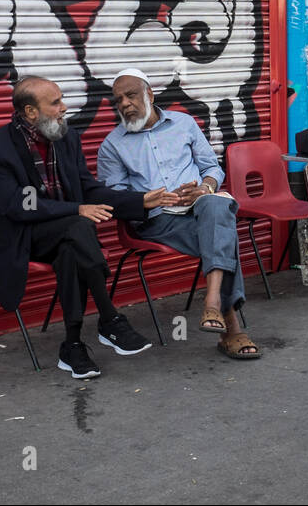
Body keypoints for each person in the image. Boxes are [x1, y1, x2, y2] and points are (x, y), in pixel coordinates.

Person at [0, 76, 179, 378]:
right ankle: (109, 317)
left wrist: (140, 201)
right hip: (21, 237)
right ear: (31, 112)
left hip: (68, 235)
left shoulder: (66, 139)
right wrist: (77, 208)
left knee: (73, 246)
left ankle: (72, 345)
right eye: (55, 102)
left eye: (61, 100)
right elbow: (21, 205)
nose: (64, 108)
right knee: (78, 225)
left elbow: (88, 188)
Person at [97, 69, 260, 360]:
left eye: (131, 95)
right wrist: (146, 200)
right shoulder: (112, 145)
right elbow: (114, 199)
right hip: (157, 220)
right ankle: (231, 327)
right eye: (118, 99)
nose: (124, 104)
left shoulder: (183, 124)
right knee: (221, 233)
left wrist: (205, 187)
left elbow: (211, 167)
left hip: (199, 208)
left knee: (215, 205)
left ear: (149, 94)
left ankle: (213, 301)